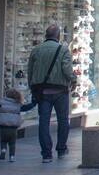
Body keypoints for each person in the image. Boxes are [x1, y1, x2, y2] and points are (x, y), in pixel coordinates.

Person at [27, 25, 74, 162]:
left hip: (42, 92)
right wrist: (73, 79)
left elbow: (30, 71)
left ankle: (46, 154)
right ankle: (61, 149)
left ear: (45, 36)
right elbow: (66, 69)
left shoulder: (36, 50)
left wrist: (32, 87)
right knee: (63, 120)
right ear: (58, 36)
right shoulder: (63, 50)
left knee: (43, 122)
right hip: (60, 91)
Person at [0, 88, 37, 162]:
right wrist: (34, 102)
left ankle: (3, 150)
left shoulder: (1, 104)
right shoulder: (18, 106)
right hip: (13, 129)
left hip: (3, 128)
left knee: (3, 141)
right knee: (12, 144)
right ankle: (12, 157)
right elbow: (27, 107)